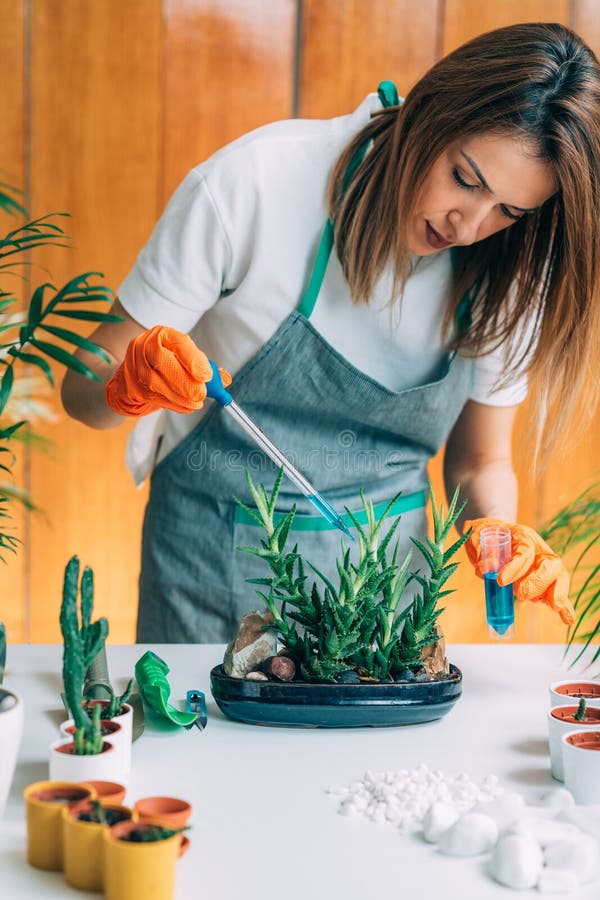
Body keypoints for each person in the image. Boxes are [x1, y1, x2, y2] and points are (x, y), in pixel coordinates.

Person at [62, 22, 600, 643]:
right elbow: (82, 394)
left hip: (386, 603)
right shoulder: (254, 184)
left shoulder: (513, 267)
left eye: (508, 209)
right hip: (211, 574)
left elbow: (481, 460)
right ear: (428, 114)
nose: (469, 225)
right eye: (465, 179)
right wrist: (124, 383)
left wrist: (499, 530)